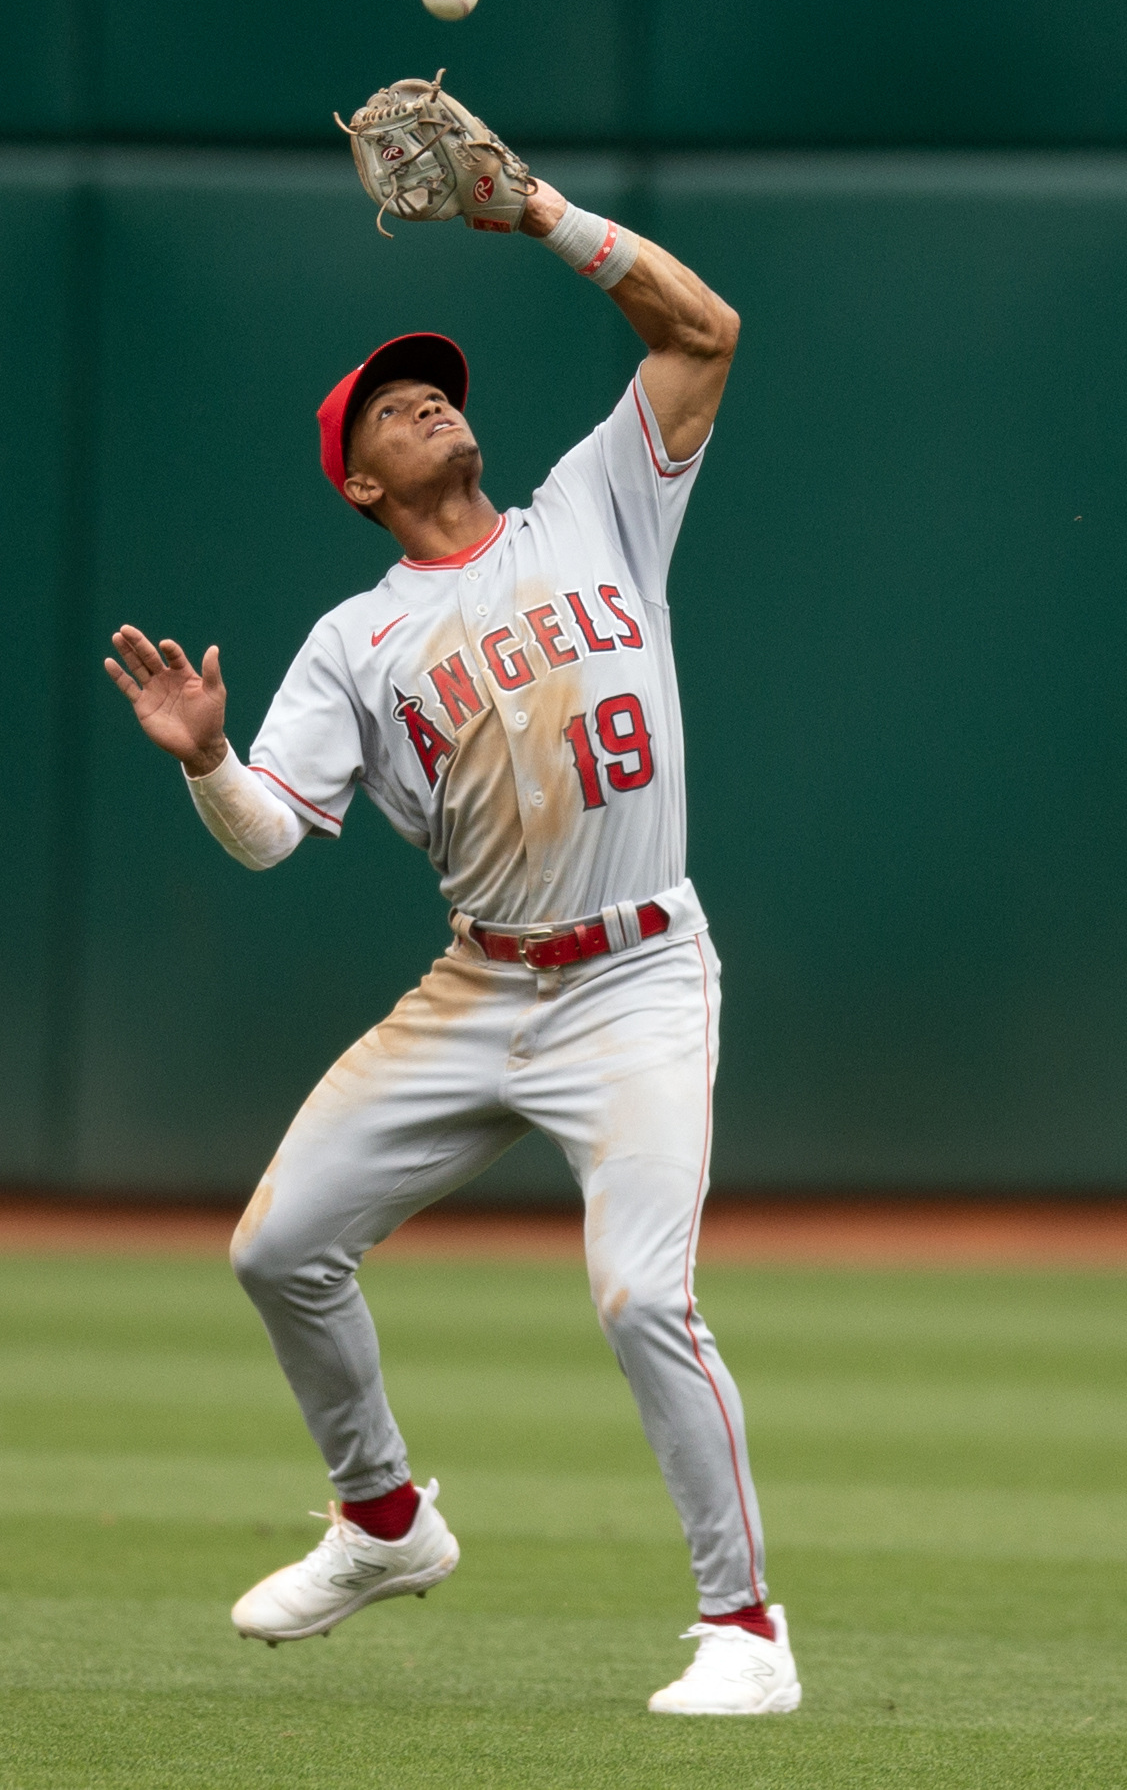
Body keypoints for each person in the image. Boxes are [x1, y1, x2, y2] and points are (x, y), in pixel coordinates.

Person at [104, 176, 801, 1717]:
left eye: (437, 388)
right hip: (483, 986)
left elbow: (705, 329)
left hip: (636, 976)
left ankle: (744, 1628)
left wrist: (536, 210)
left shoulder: (596, 501)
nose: (425, 400)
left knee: (638, 1293)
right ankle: (382, 1520)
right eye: (391, 405)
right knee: (278, 1247)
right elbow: (274, 829)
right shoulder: (358, 639)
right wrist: (207, 762)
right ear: (356, 481)